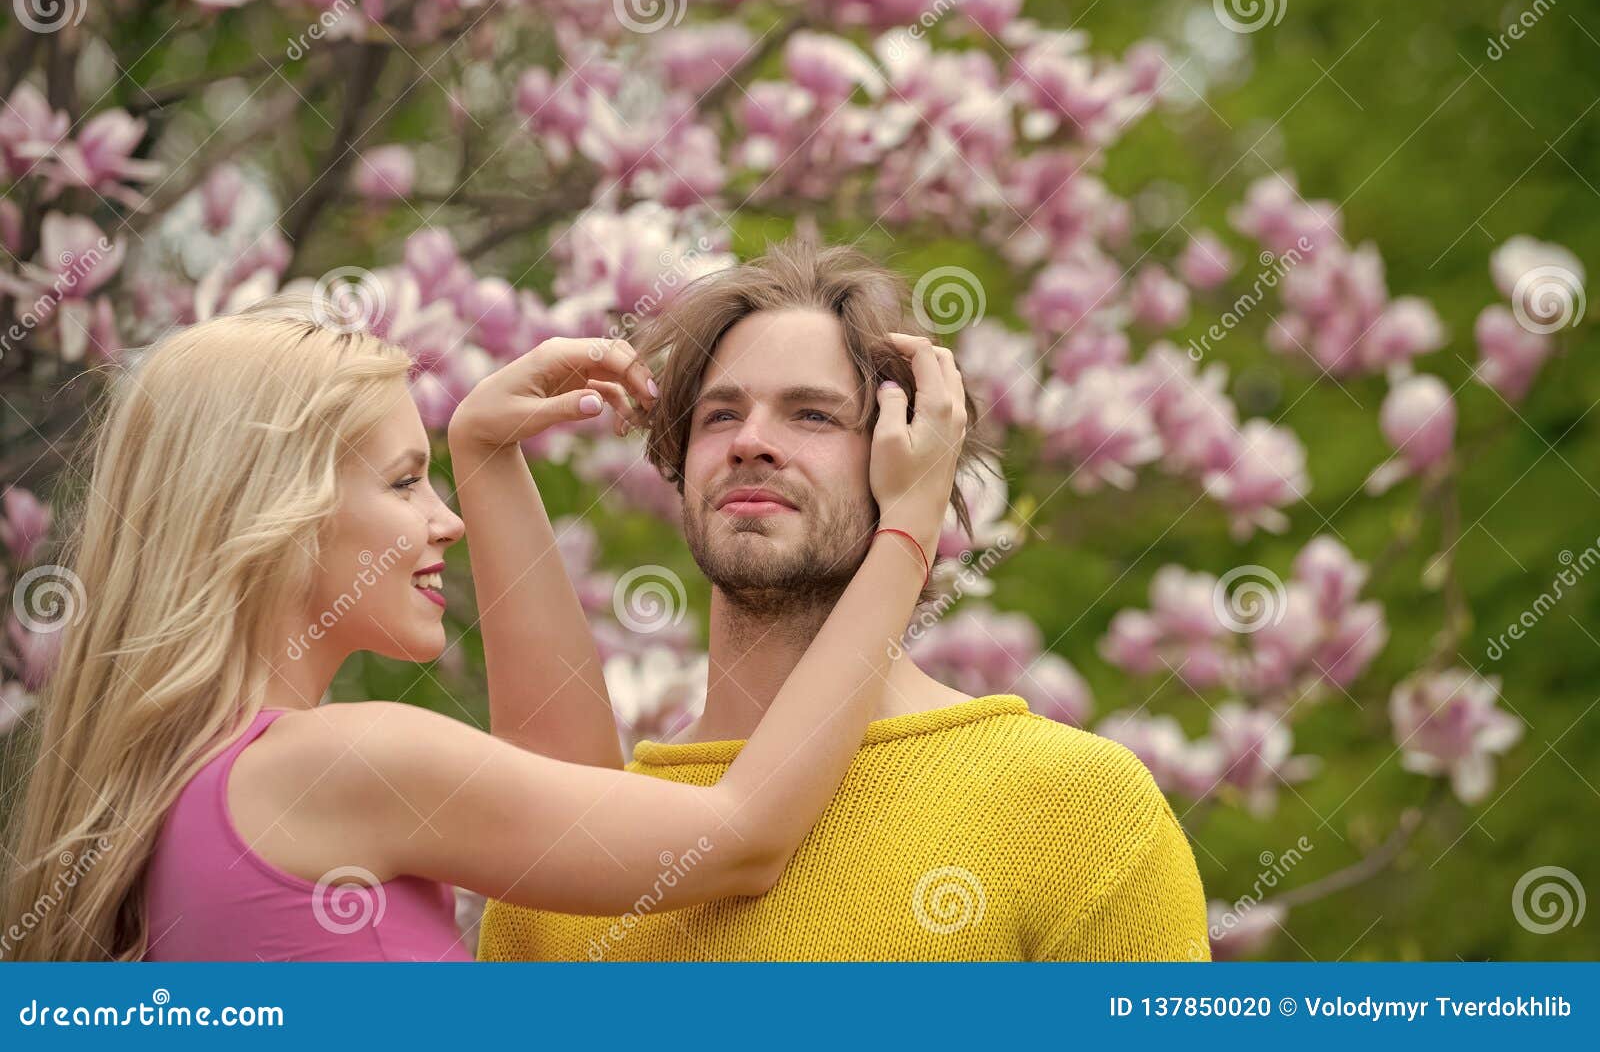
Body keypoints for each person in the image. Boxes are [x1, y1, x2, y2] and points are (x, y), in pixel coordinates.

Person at [0, 289, 965, 961]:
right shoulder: (337, 765)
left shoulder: (191, 786)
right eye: (402, 481)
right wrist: (911, 523)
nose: (443, 519)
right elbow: (737, 835)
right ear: (275, 512)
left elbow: (577, 830)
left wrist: (485, 452)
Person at [478, 239, 1212, 961]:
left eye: (814, 415)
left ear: (906, 458)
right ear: (677, 459)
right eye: (721, 415)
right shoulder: (570, 848)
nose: (752, 442)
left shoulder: (1080, 808)